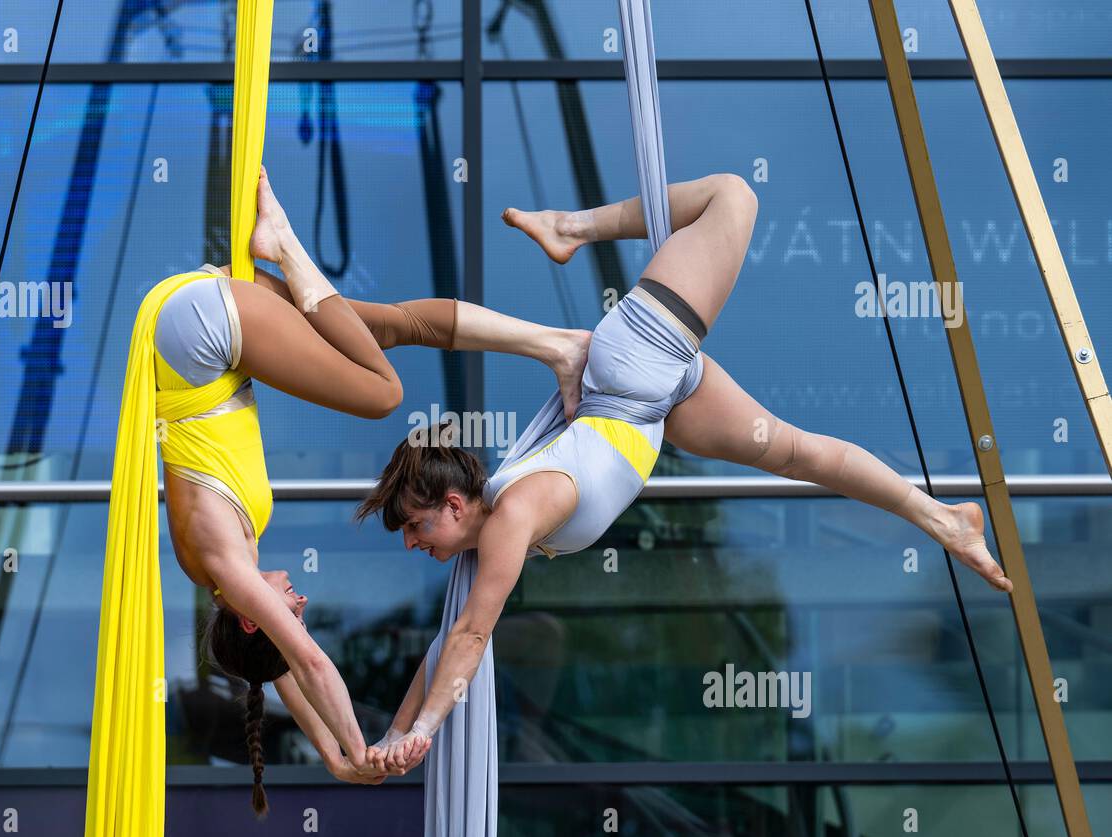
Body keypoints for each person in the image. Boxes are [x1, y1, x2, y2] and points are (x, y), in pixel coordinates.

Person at [356, 173, 1014, 772]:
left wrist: (424, 732)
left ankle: (572, 227)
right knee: (799, 455)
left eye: (415, 527)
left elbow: (474, 633)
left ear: (451, 502)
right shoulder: (488, 533)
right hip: (656, 410)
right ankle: (942, 518)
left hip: (633, 370)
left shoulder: (512, 516)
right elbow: (448, 643)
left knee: (736, 196)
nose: (415, 544)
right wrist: (394, 733)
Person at [155, 168, 588, 810]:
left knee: (384, 392)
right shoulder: (226, 578)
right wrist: (334, 758)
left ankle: (287, 243)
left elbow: (306, 663)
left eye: (290, 611)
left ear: (252, 617)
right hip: (206, 335)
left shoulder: (222, 561)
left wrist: (363, 753)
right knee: (386, 327)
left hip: (200, 337)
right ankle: (556, 346)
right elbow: (285, 672)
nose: (299, 602)